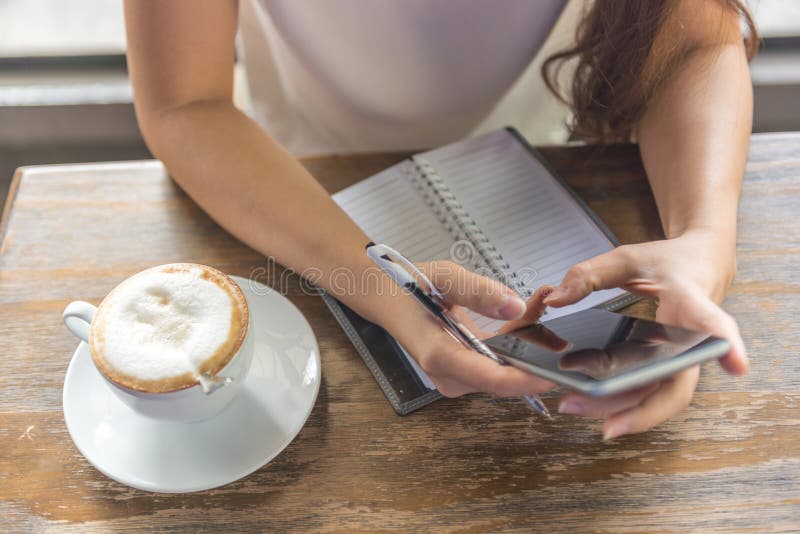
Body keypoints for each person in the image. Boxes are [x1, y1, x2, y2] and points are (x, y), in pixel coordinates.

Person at [123, 0, 757, 440]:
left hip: (542, 163)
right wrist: (382, 289)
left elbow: (694, 41)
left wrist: (706, 238)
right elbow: (185, 103)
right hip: (289, 180)